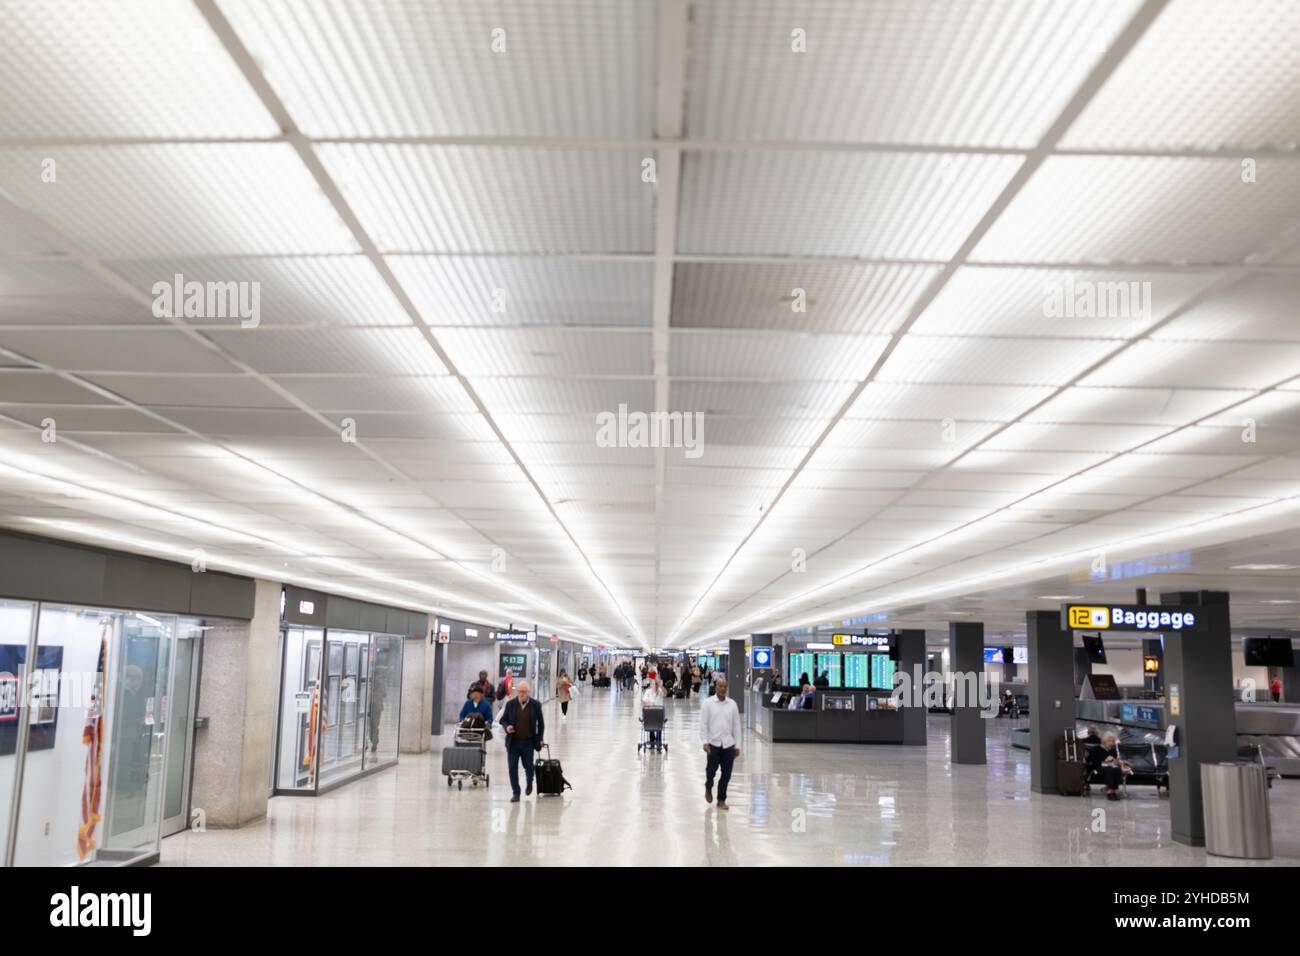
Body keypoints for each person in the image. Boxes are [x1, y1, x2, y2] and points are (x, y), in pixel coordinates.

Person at [498, 680, 545, 802]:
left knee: (528, 766)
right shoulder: (511, 704)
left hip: (528, 742)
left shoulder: (536, 705)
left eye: (524, 692)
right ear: (517, 691)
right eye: (520, 691)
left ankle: (529, 783)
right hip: (513, 742)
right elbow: (503, 720)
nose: (522, 694)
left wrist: (540, 738)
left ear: (528, 692)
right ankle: (516, 793)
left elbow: (541, 724)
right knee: (512, 768)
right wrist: (507, 727)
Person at [700, 677, 742, 810]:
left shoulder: (732, 704)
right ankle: (708, 786)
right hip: (713, 744)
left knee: (726, 774)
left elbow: (736, 726)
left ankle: (721, 800)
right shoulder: (708, 703)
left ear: (727, 688)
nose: (722, 689)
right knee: (711, 771)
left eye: (724, 686)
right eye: (720, 686)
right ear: (716, 687)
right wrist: (705, 742)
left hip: (728, 744)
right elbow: (703, 724)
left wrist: (738, 745)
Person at [1087, 731, 1131, 801]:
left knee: (1116, 769)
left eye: (1113, 741)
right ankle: (1110, 791)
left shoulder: (1113, 750)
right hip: (1098, 767)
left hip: (1111, 767)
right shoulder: (1096, 749)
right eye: (1111, 741)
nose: (1113, 743)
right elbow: (1092, 761)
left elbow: (1115, 761)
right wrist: (1104, 760)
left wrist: (1117, 761)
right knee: (1109, 769)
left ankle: (1114, 790)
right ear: (1105, 741)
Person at [642, 670, 666, 747]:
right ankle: (652, 742)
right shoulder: (648, 691)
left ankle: (658, 742)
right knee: (650, 722)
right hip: (650, 715)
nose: (654, 685)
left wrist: (660, 685)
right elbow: (643, 700)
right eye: (653, 684)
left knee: (659, 724)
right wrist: (648, 703)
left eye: (656, 684)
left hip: (659, 715)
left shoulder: (660, 691)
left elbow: (665, 693)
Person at [368, 667, 388, 752]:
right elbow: (384, 694)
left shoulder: (380, 683)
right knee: (372, 726)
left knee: (374, 726)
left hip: (376, 707)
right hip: (371, 706)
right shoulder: (371, 683)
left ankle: (374, 743)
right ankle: (373, 742)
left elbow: (384, 694)